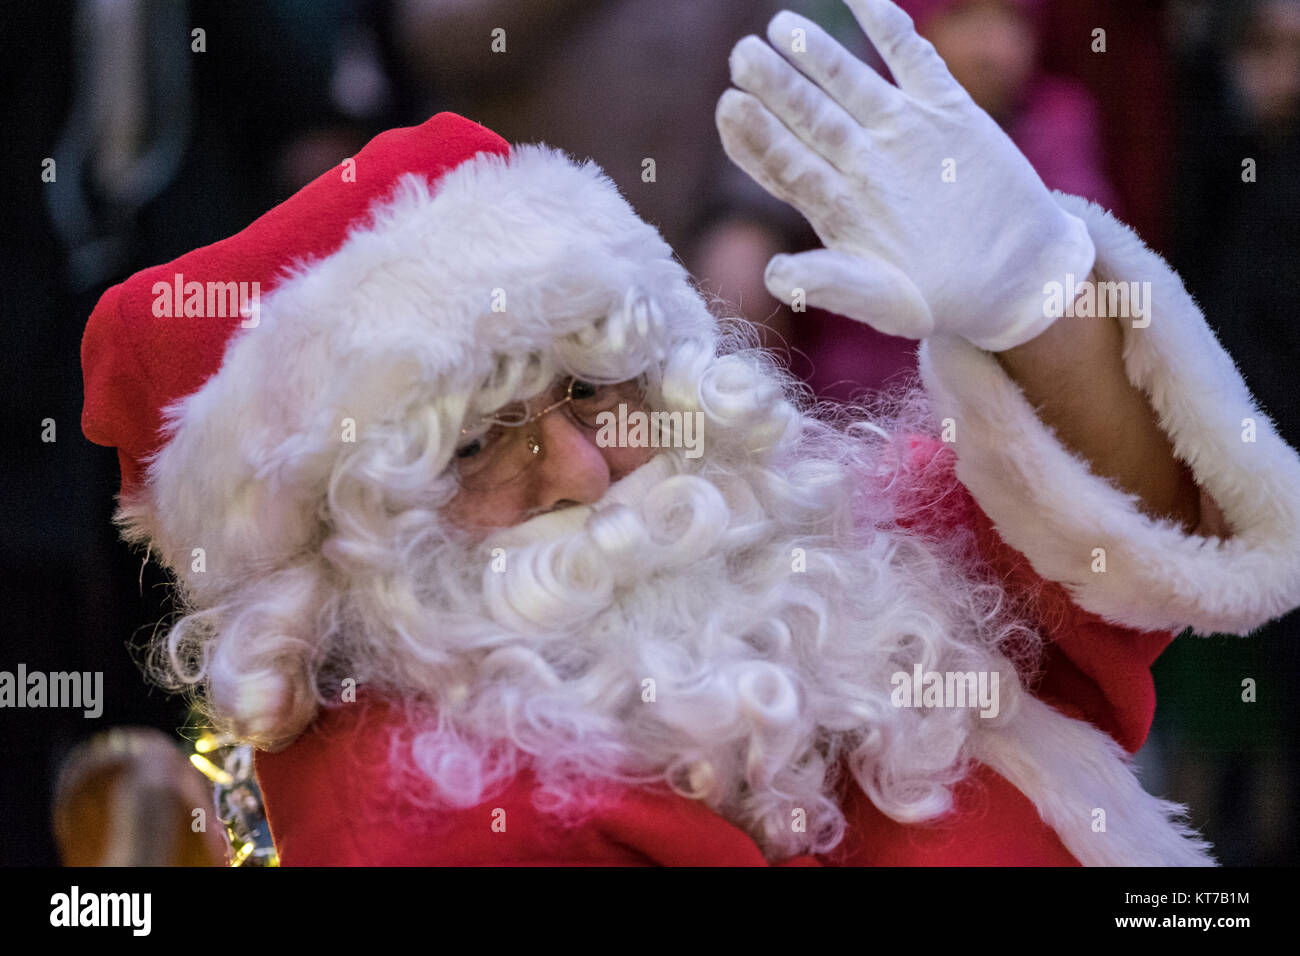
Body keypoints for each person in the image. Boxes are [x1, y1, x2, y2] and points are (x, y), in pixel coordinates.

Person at [80, 0, 1300, 865]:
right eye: (468, 446)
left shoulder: (813, 575)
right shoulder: (435, 817)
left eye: (600, 384)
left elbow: (1134, 543)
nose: (584, 467)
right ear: (331, 554)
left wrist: (1037, 300)